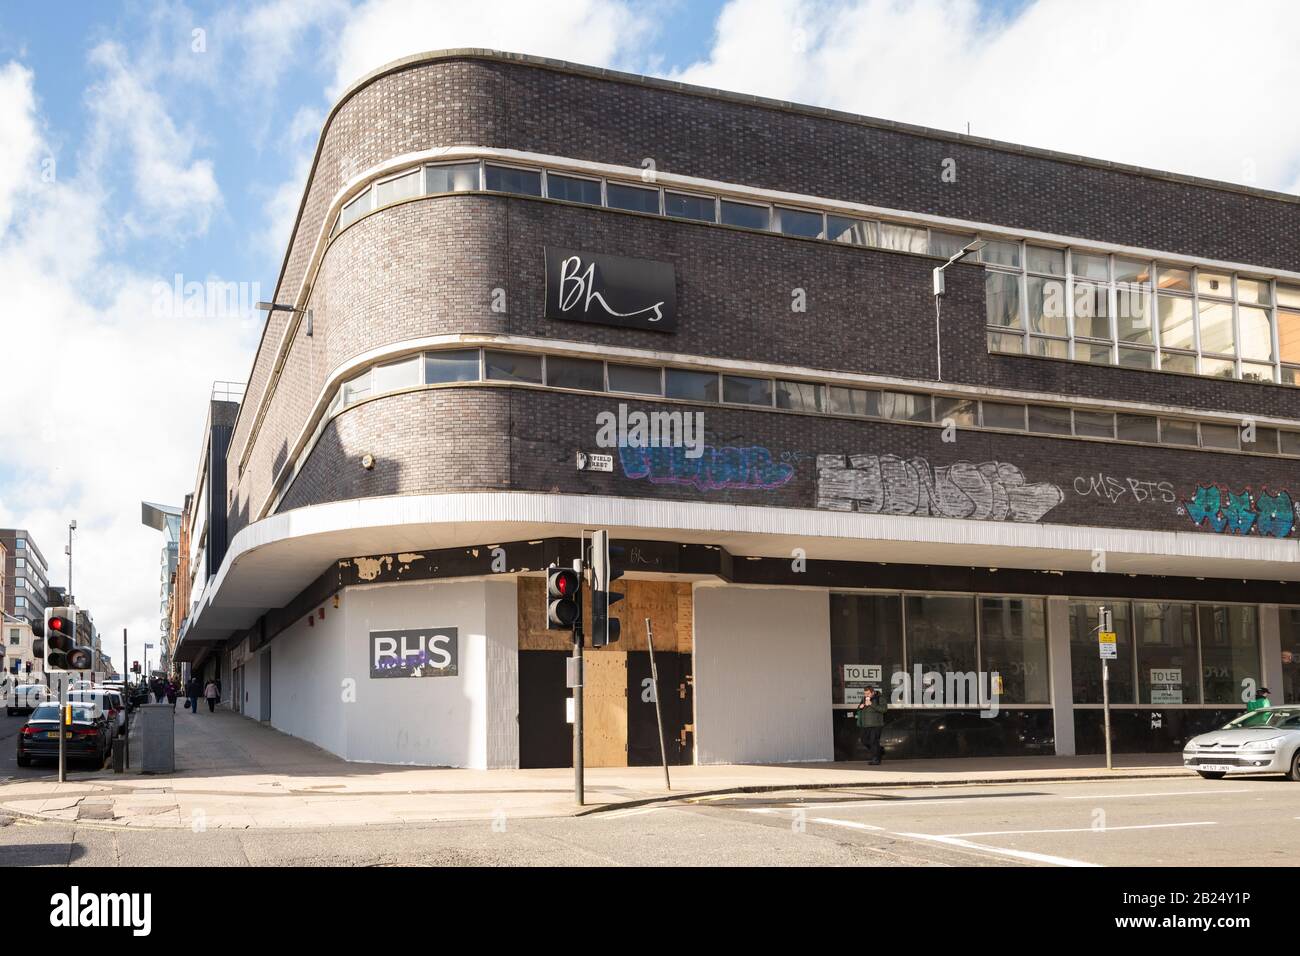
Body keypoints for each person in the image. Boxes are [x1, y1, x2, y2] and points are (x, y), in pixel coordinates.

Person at [855, 685, 888, 765]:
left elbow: (884, 710)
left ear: (872, 692)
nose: (866, 695)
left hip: (876, 724)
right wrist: (860, 707)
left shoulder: (880, 698)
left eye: (868, 693)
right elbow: (858, 709)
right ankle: (879, 751)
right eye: (865, 693)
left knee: (874, 742)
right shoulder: (863, 699)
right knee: (864, 740)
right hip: (865, 725)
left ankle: (876, 759)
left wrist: (871, 704)